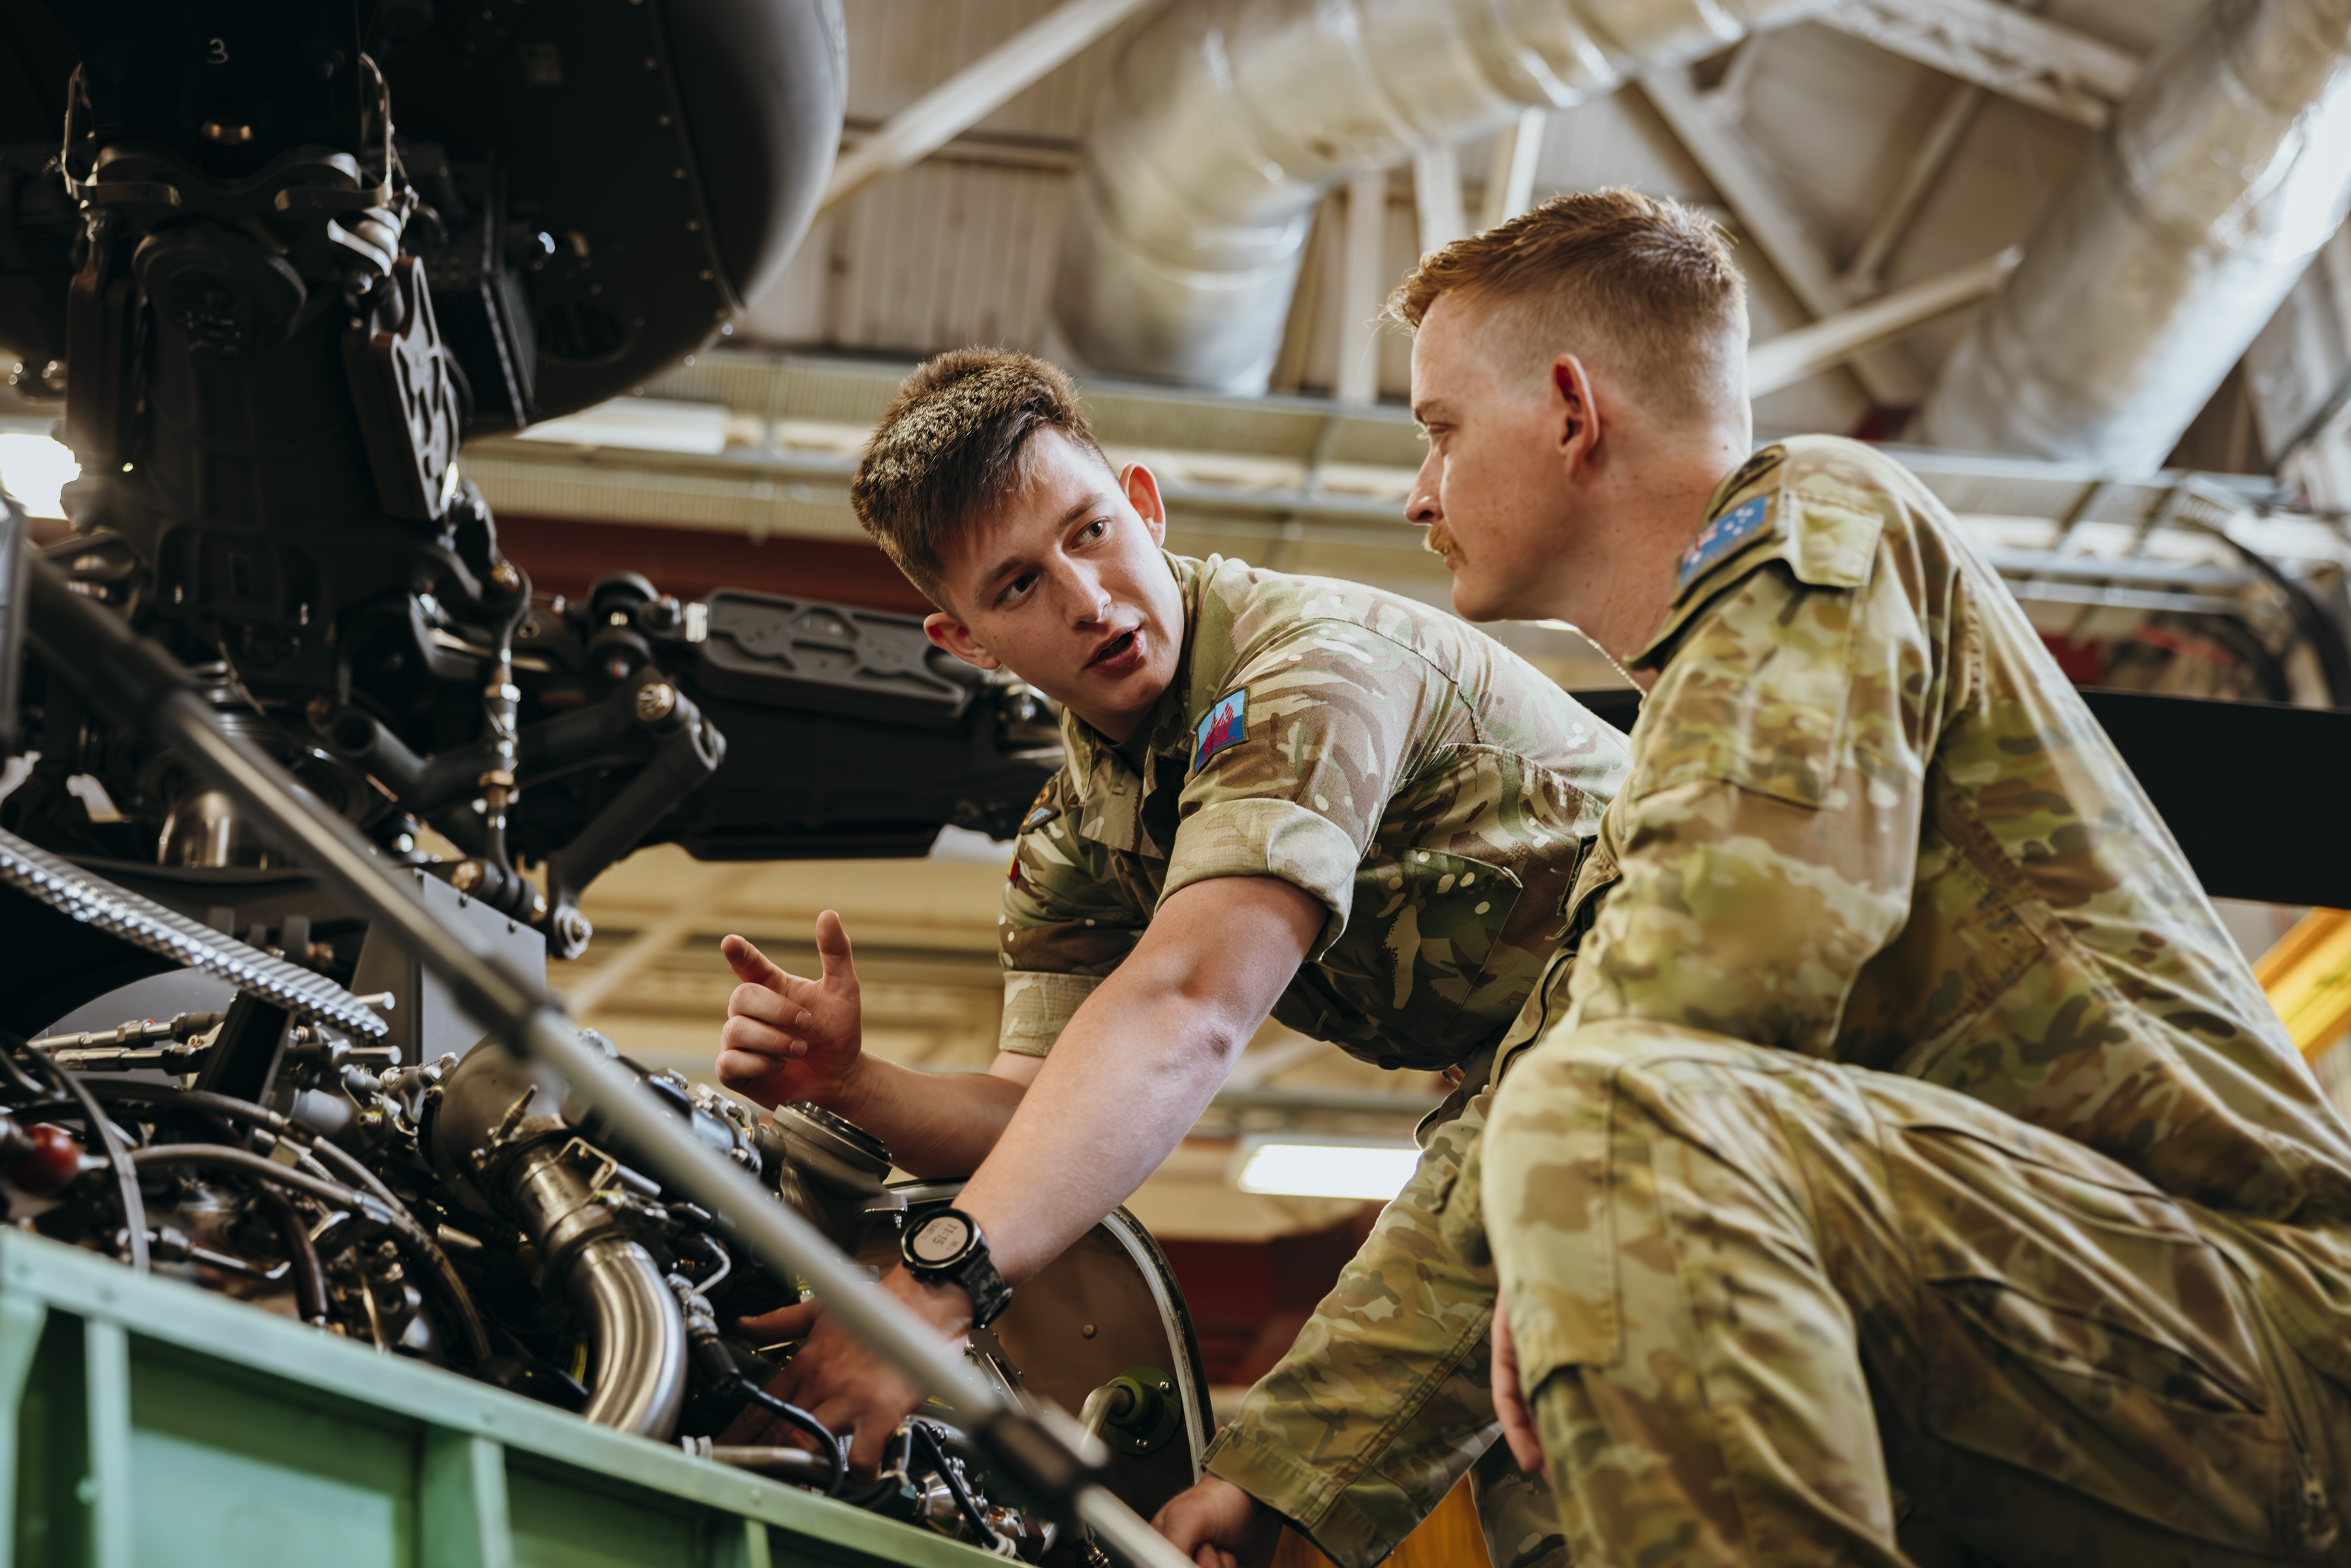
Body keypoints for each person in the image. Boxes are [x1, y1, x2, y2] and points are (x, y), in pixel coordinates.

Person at [1159, 187, 2351, 1568]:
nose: (1418, 492)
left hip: (2268, 1357)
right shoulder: (1669, 790)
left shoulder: (1821, 521)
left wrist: (1575, 1197)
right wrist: (1283, 1484)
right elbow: (1510, 1144)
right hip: (2070, 1359)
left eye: (1439, 430)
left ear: (1568, 408)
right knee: (1561, 1260)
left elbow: (1711, 985)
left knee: (1595, 1138)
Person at [710, 346, 1629, 1556]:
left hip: (1682, 1032)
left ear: (1144, 502)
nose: (1087, 598)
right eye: (1021, 584)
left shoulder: (1305, 669)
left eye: (1092, 531)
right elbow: (1038, 1117)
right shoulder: (1075, 839)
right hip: (1547, 1086)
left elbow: (1190, 1007)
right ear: (965, 638)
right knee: (1542, 1481)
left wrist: (926, 1298)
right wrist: (854, 1084)